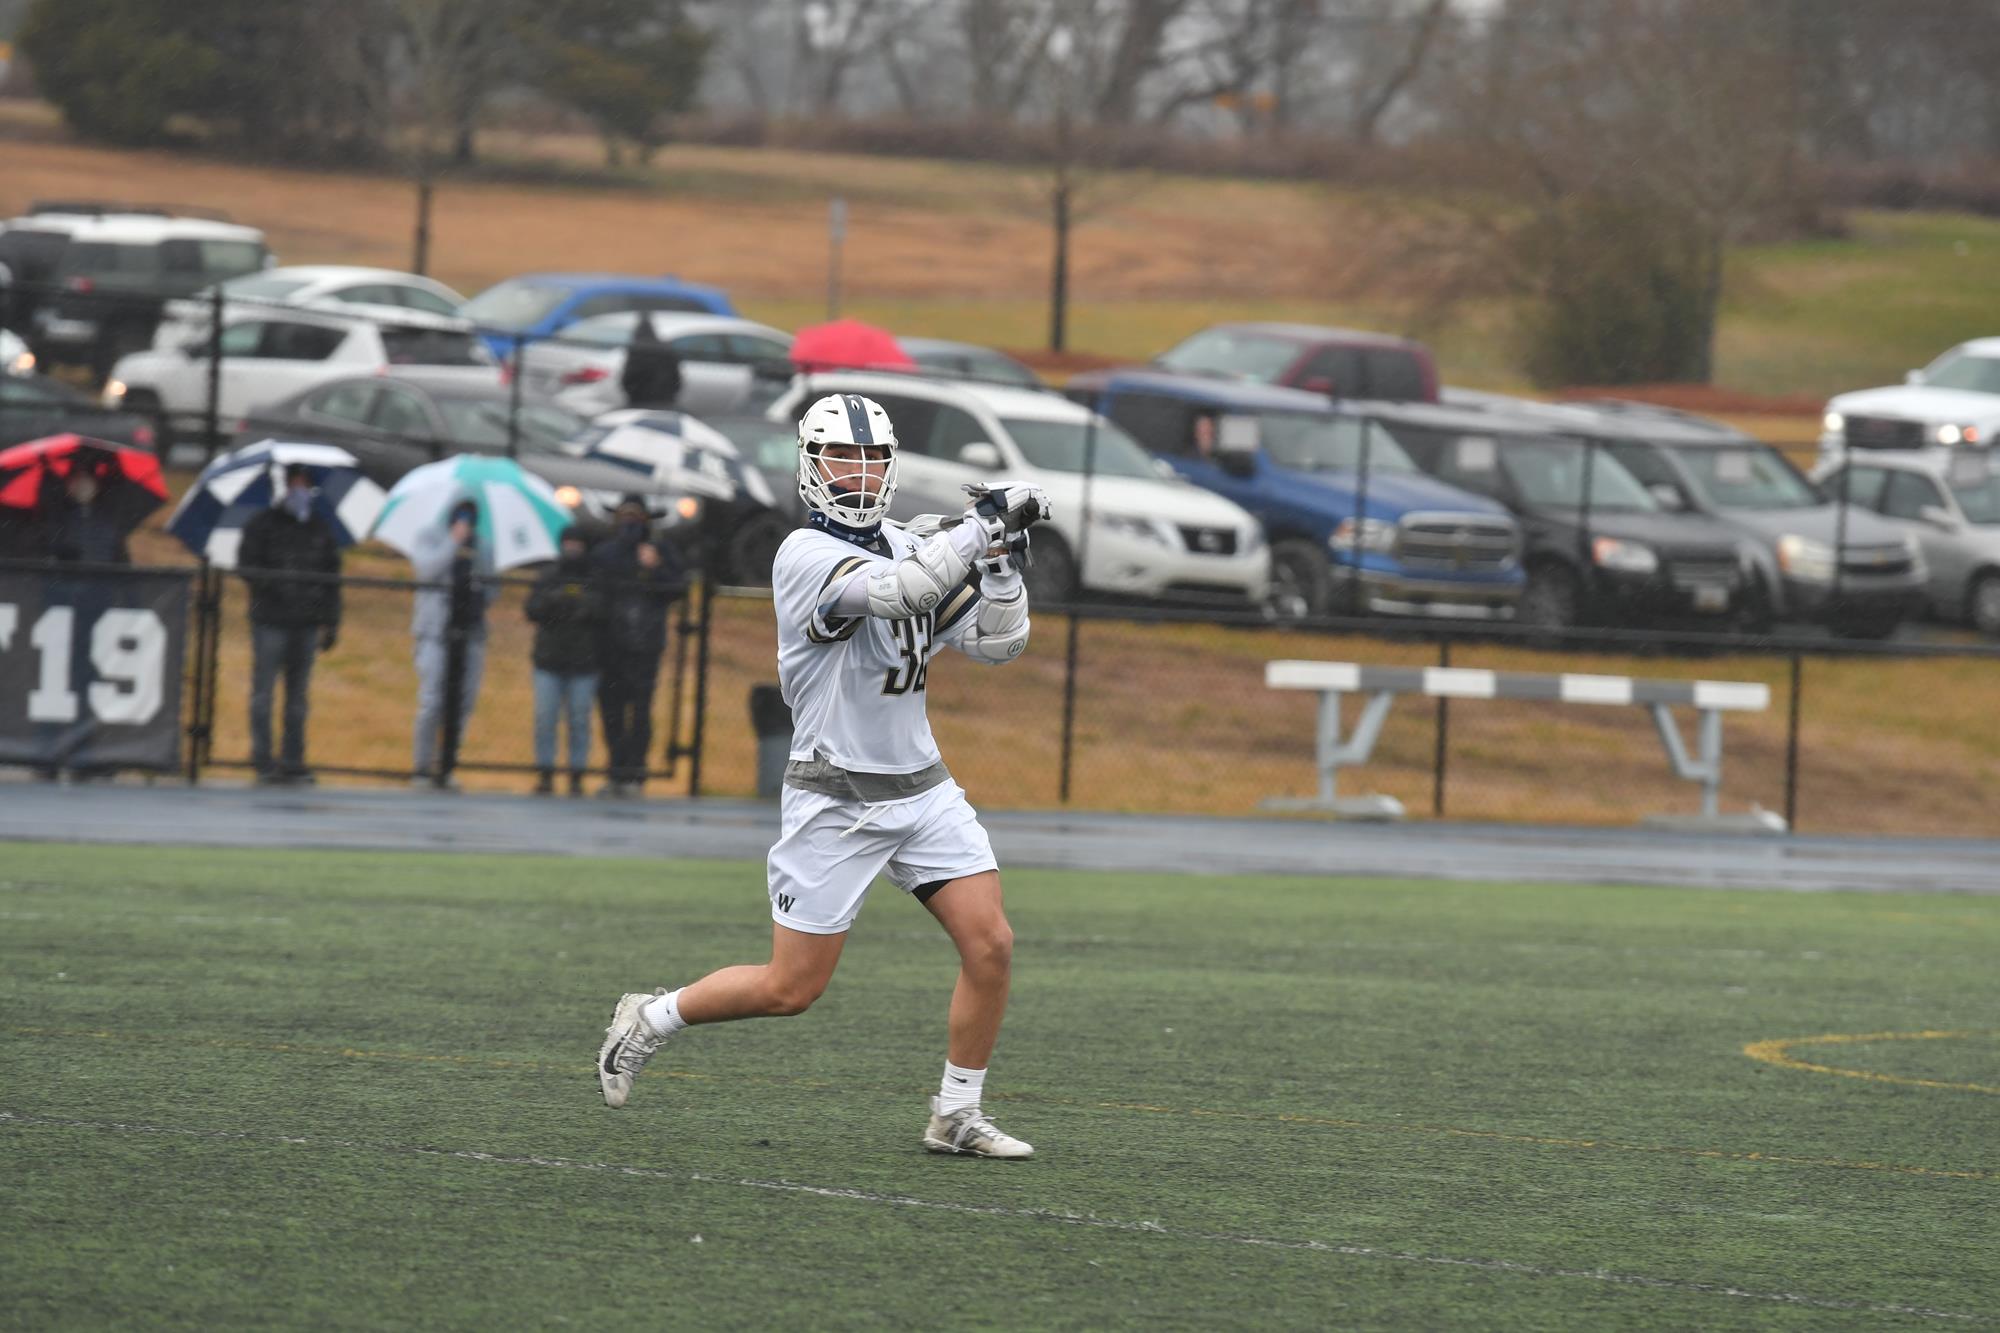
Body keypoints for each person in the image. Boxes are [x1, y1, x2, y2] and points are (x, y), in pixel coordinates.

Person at [593, 392, 1052, 1160]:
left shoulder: (912, 539)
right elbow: (900, 591)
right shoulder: (801, 554)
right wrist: (979, 528)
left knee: (992, 944)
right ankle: (652, 1015)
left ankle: (955, 1113)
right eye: (843, 456)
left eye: (872, 459)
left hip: (923, 785)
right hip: (836, 794)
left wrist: (1001, 564)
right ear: (811, 466)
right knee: (790, 989)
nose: (859, 472)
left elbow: (998, 645)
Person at [238, 463, 343, 786]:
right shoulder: (262, 524)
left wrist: (330, 622)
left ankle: (293, 760)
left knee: (298, 698)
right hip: (271, 619)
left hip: (306, 622)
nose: (298, 491)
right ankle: (263, 759)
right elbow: (247, 566)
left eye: (303, 484)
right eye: (292, 484)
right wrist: (277, 585)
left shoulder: (319, 528)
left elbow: (331, 579)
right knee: (263, 693)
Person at [590, 496, 687, 797]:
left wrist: (655, 567)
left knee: (641, 711)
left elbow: (678, 588)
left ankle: (636, 771)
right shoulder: (606, 552)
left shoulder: (660, 550)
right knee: (612, 711)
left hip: (645, 646)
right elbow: (596, 590)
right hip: (611, 646)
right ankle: (616, 770)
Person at [411, 499, 494, 789]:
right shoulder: (429, 537)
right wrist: (452, 542)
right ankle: (422, 767)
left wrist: (478, 589)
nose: (465, 520)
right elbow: (426, 571)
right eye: (460, 513)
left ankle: (445, 765)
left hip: (470, 632)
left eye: (471, 515)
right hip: (436, 631)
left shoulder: (482, 545)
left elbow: (493, 587)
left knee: (463, 703)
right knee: (432, 700)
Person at [525, 529, 603, 796]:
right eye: (568, 543)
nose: (572, 549)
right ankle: (545, 771)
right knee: (545, 718)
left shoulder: (594, 578)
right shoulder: (549, 576)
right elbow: (532, 610)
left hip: (584, 662)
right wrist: (553, 601)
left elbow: (604, 612)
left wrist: (584, 605)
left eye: (576, 543)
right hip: (550, 659)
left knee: (579, 719)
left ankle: (577, 773)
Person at [47, 465, 130, 565]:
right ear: (69, 486)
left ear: (95, 484)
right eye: (76, 480)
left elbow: (121, 556)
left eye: (85, 480)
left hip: (105, 577)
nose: (81, 485)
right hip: (72, 577)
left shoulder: (109, 518)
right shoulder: (60, 520)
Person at [619, 316, 683, 410]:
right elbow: (676, 378)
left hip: (639, 401)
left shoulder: (636, 352)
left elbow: (628, 379)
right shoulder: (667, 351)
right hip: (666, 401)